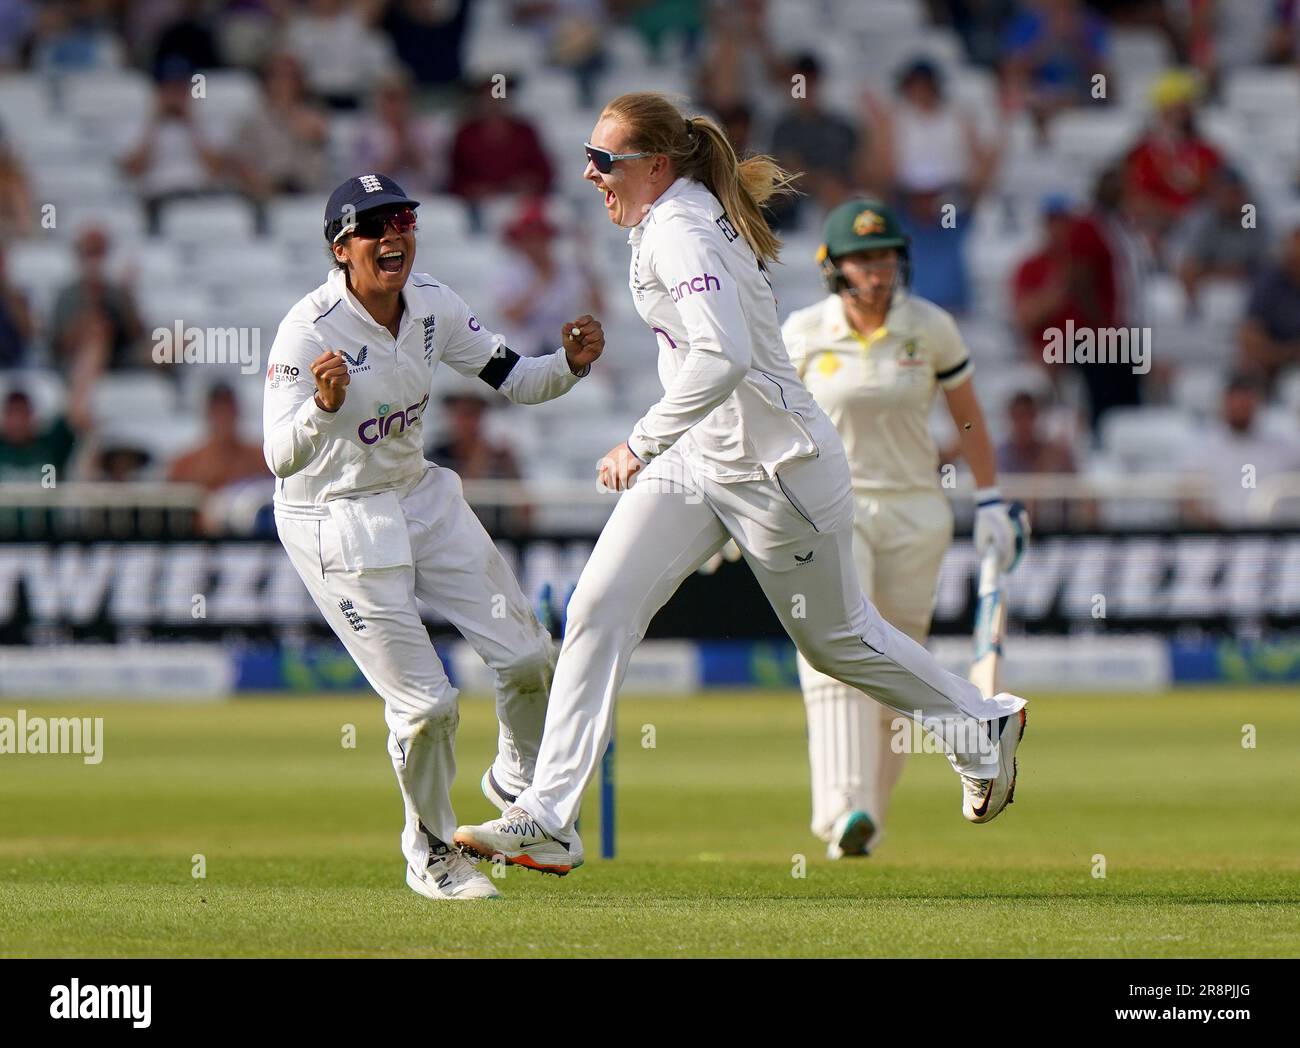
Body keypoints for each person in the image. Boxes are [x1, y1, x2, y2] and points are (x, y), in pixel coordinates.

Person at [454, 93, 1030, 875]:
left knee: (838, 642)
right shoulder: (671, 213)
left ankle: (979, 722)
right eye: (588, 157)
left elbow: (720, 358)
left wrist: (641, 441)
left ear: (655, 165)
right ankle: (549, 814)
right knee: (598, 606)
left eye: (605, 161)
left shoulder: (684, 228)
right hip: (705, 458)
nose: (590, 174)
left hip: (777, 470)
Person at [262, 173, 604, 901]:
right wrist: (323, 408)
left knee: (526, 655)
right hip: (336, 514)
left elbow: (516, 378)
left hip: (419, 492)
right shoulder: (308, 330)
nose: (394, 237)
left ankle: (515, 782)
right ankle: (431, 852)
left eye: (404, 221)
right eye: (375, 227)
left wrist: (570, 366)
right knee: (426, 710)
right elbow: (278, 456)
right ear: (341, 247)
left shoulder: (432, 306)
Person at [779, 199, 1028, 859]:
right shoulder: (803, 333)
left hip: (919, 512)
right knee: (835, 648)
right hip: (833, 509)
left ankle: (867, 821)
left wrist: (994, 499)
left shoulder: (931, 328)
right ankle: (839, 809)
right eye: (863, 258)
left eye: (887, 255)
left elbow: (969, 419)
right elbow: (765, 426)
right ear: (833, 266)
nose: (878, 269)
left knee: (900, 666)